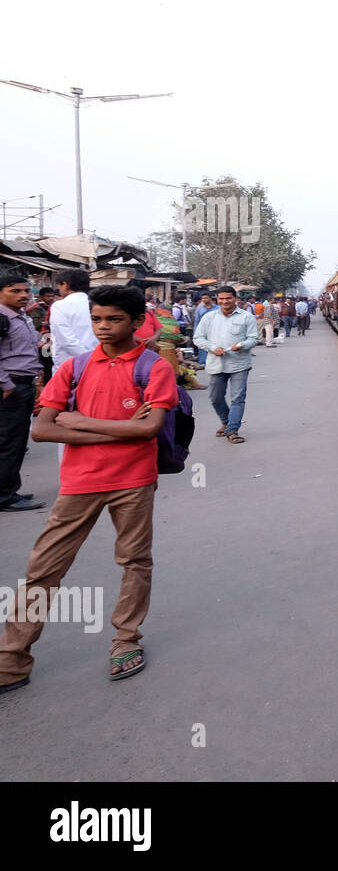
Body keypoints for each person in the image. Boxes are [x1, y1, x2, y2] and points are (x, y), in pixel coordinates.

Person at [0, 285, 180, 694]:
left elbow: (150, 429)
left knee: (134, 561)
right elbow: (43, 430)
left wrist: (78, 421)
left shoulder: (154, 368)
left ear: (136, 322)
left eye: (113, 319)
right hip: (79, 484)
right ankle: (11, 659)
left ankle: (125, 639)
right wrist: (124, 431)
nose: (102, 327)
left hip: (133, 482)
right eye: (97, 319)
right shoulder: (74, 367)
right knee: (42, 571)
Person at [0, 275, 46, 511]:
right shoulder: (1, 318)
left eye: (26, 290)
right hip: (11, 386)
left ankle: (10, 489)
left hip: (24, 384)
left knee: (17, 441)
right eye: (15, 290)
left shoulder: (22, 317)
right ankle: (4, 496)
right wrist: (6, 385)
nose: (23, 295)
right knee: (8, 442)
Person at [192, 285, 259, 444]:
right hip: (216, 363)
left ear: (235, 298)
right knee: (215, 397)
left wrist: (241, 345)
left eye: (228, 298)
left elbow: (253, 338)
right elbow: (198, 338)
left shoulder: (246, 317)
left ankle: (232, 430)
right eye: (221, 299)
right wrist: (213, 348)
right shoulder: (209, 318)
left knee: (238, 398)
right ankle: (225, 420)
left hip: (239, 364)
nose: (225, 301)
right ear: (218, 300)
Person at [48, 268, 96, 372]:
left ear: (65, 284)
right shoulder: (96, 304)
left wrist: (88, 359)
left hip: (71, 364)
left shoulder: (60, 305)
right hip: (96, 360)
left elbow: (66, 340)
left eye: (59, 286)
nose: (59, 290)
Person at [193, 293, 216, 368]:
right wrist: (195, 331)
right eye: (203, 298)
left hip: (214, 330)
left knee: (214, 345)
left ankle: (213, 362)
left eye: (206, 298)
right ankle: (202, 362)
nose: (204, 300)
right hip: (202, 330)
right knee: (202, 346)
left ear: (210, 298)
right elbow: (196, 321)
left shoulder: (217, 308)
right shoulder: (200, 309)